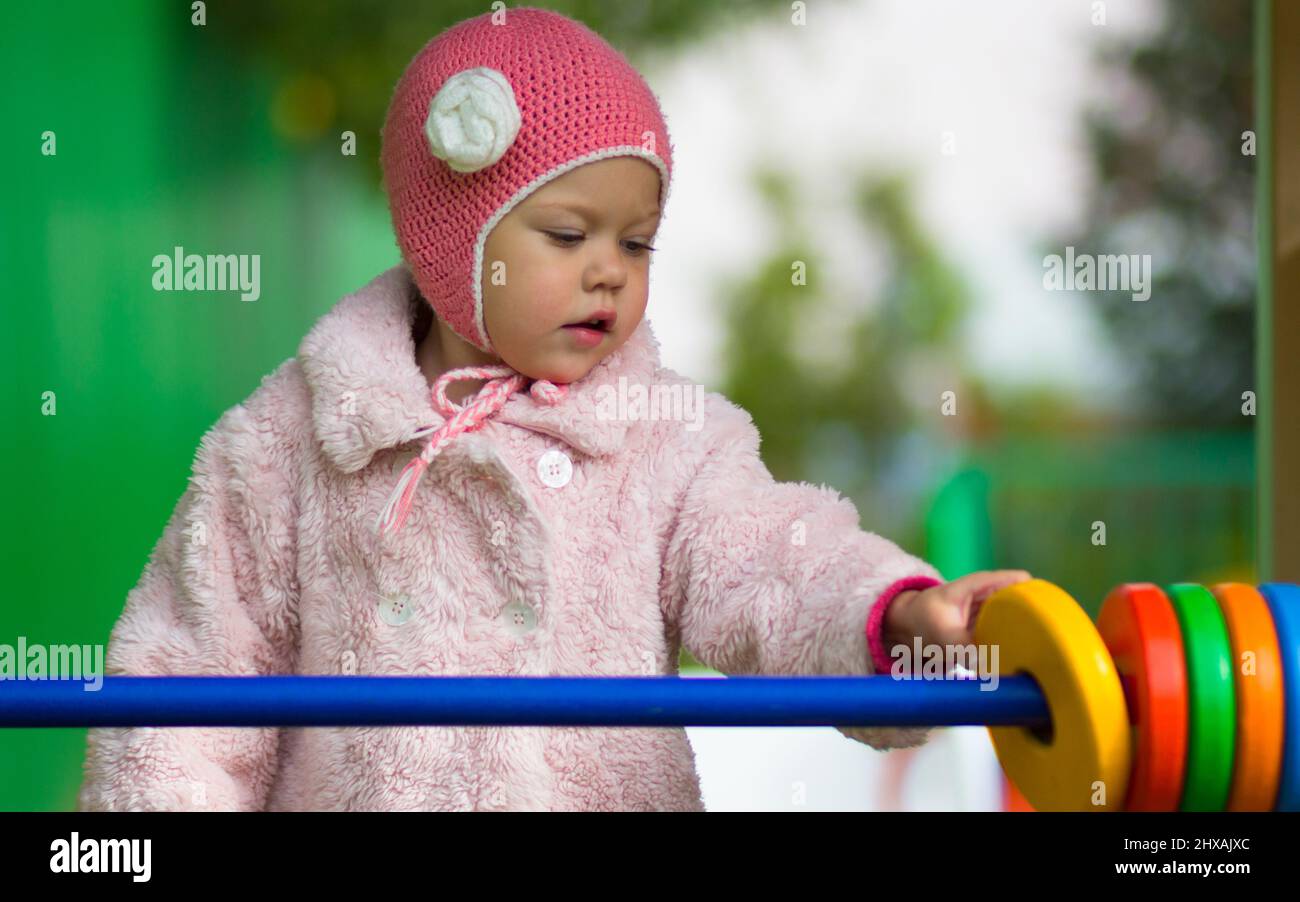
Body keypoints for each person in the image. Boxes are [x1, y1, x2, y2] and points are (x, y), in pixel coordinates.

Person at [77, 6, 1031, 812]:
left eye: (639, 242)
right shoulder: (290, 445)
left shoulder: (666, 438)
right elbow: (181, 692)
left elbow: (774, 565)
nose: (608, 269)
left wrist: (898, 623)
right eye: (568, 233)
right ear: (453, 240)